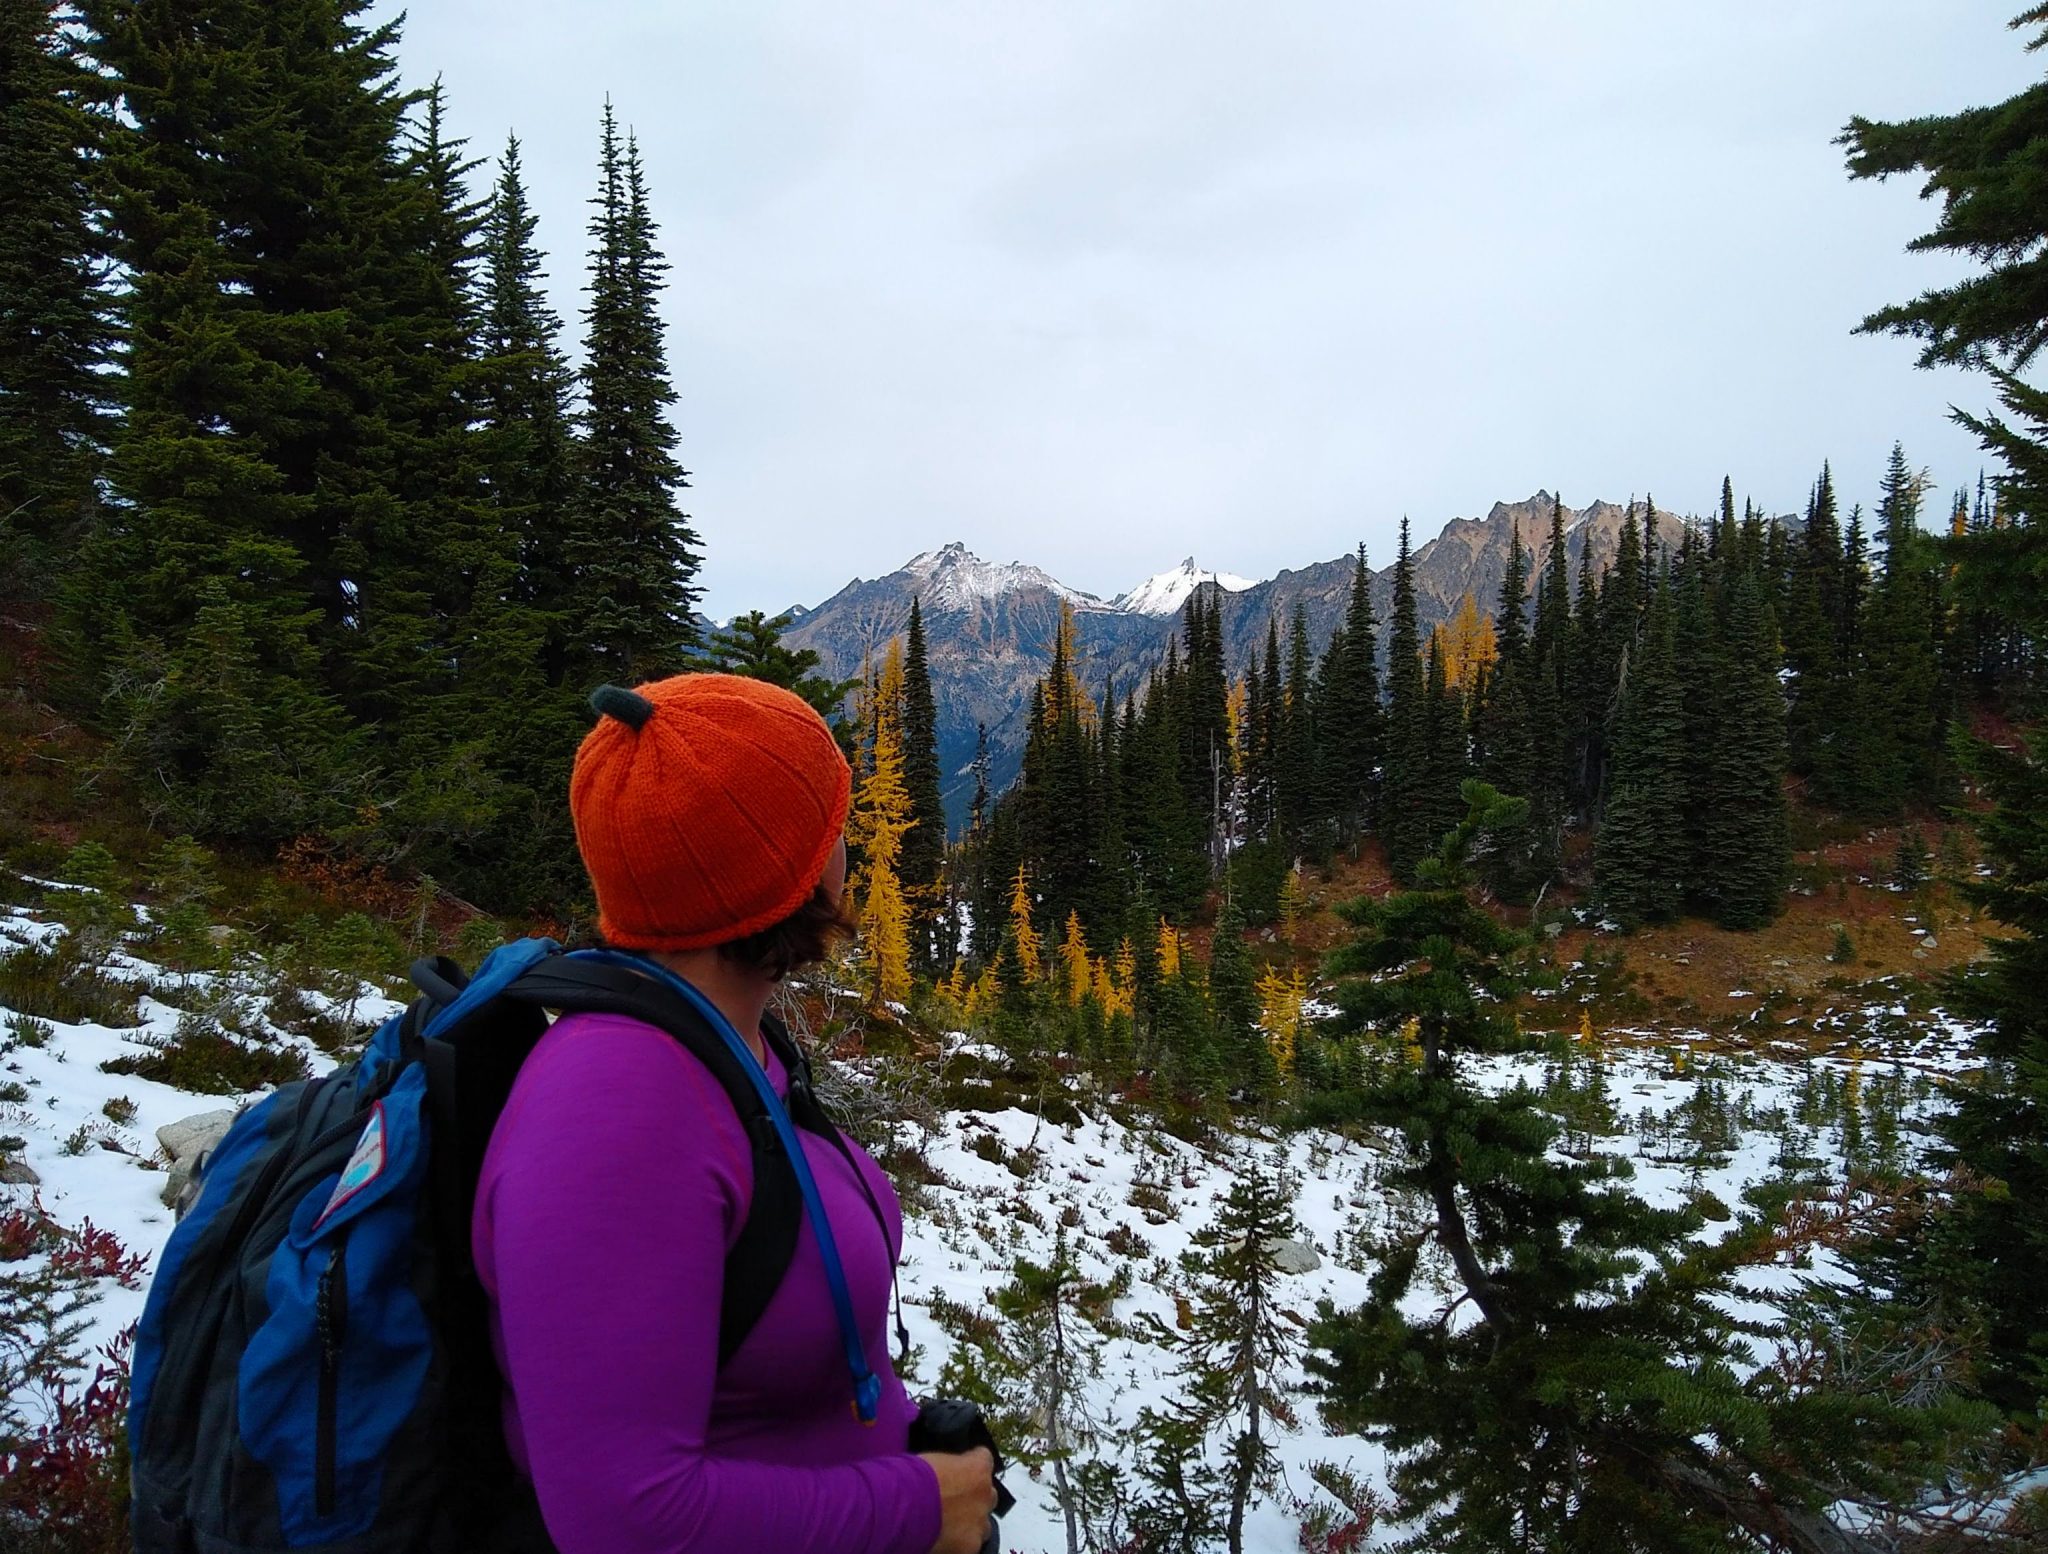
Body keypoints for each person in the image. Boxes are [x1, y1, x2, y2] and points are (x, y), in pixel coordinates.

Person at [471, 673, 998, 1554]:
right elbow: (621, 1519)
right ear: (781, 868)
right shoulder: (617, 1108)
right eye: (830, 827)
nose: (847, 851)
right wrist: (916, 1508)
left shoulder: (724, 1049)